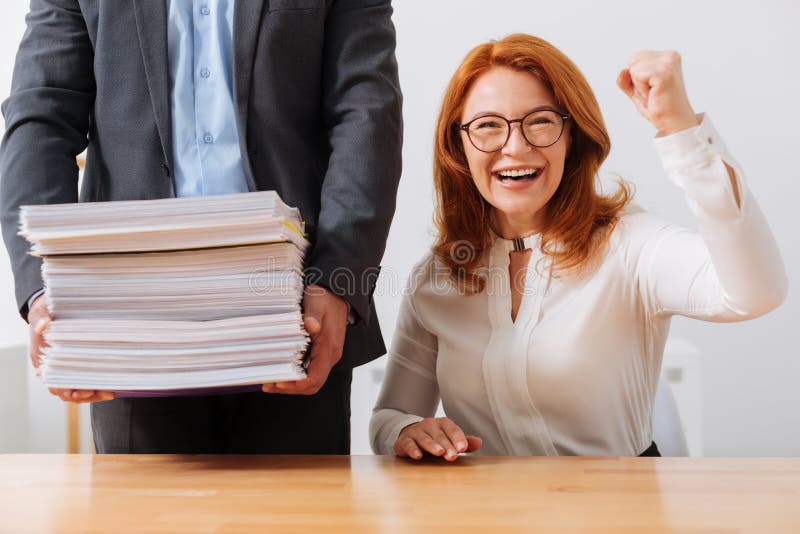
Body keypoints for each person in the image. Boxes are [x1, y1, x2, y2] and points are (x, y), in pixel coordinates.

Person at [1, 0, 402, 454]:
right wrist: (43, 290)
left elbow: (368, 113)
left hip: (299, 318)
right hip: (131, 323)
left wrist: (336, 281)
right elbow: (41, 119)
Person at [369, 34, 786, 460]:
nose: (515, 147)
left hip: (616, 515)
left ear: (573, 138)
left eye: (541, 121)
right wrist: (407, 431)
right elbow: (391, 413)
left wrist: (680, 129)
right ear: (459, 147)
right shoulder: (436, 277)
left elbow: (756, 293)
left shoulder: (631, 245)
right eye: (489, 126)